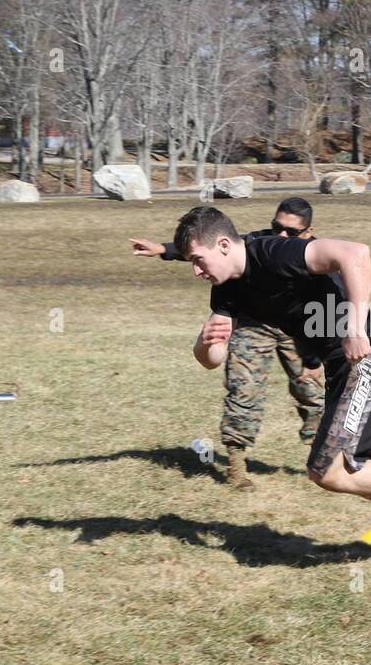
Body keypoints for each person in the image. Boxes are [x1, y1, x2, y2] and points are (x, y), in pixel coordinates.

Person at [169, 204, 371, 568]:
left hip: (367, 358)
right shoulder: (226, 289)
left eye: (199, 259)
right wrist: (203, 342)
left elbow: (355, 253)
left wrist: (355, 327)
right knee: (354, 475)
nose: (197, 271)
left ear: (225, 246)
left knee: (327, 469)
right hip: (340, 369)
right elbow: (212, 358)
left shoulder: (273, 252)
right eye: (191, 263)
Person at [130, 198, 324, 490]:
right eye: (276, 227)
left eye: (291, 232)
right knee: (243, 390)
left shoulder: (312, 254)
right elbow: (210, 249)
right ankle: (236, 464)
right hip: (254, 326)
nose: (281, 236)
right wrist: (163, 250)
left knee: (312, 392)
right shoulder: (257, 243)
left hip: (297, 330)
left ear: (308, 232)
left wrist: (317, 356)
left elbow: (328, 297)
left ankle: (321, 458)